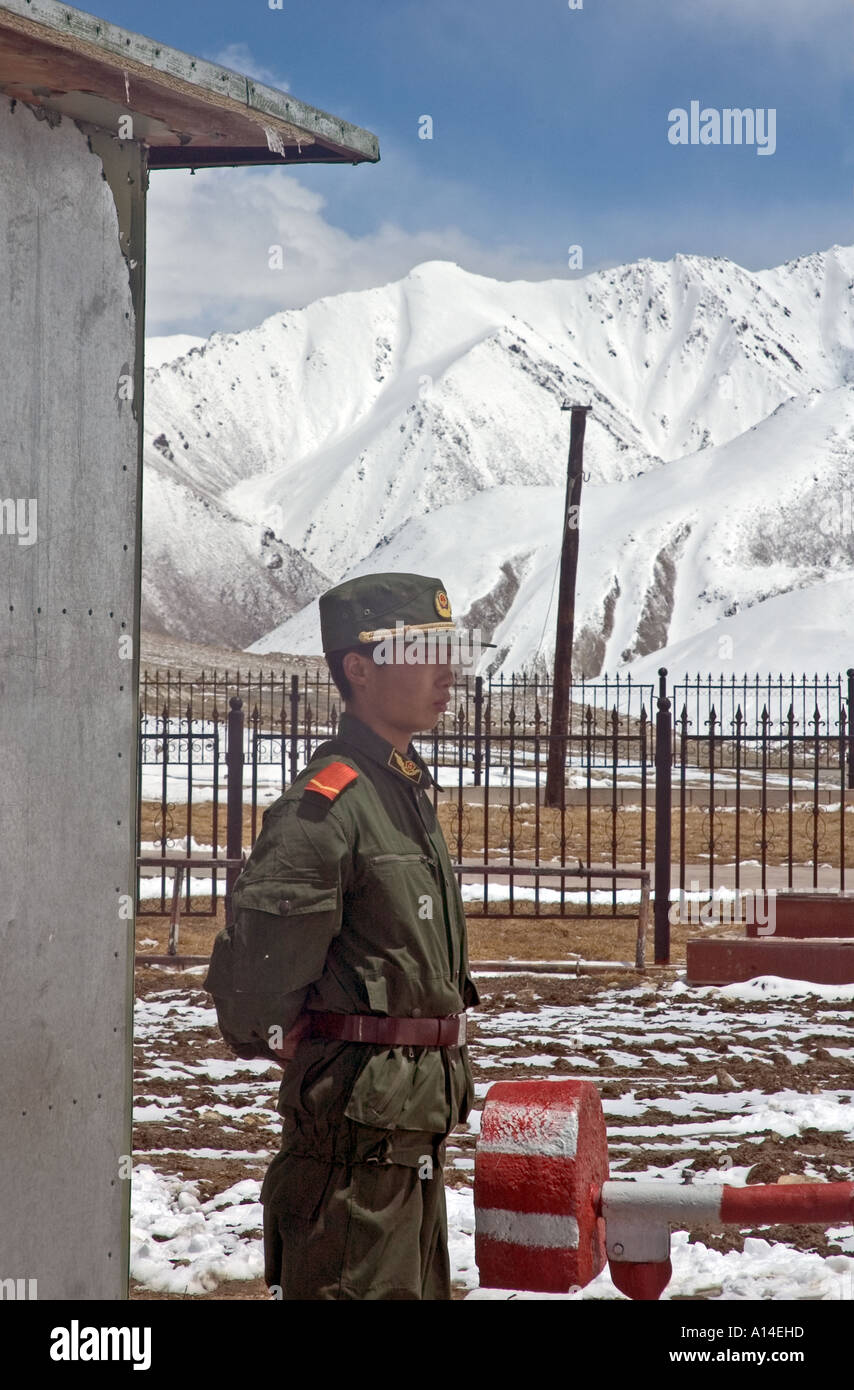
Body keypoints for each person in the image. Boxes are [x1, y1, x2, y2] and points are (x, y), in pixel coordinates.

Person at [204, 572, 481, 1300]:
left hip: (409, 1133)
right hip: (352, 1148)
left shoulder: (402, 793)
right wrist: (272, 1031)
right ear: (357, 668)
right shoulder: (327, 804)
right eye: (423, 649)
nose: (446, 669)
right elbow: (258, 976)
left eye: (449, 648)